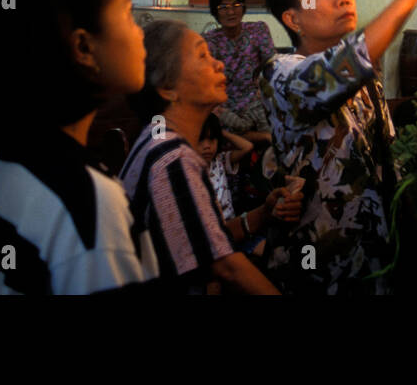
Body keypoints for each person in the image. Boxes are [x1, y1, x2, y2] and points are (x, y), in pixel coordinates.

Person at [260, 0, 417, 294]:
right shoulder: (280, 74)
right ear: (293, 18)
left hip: (377, 258)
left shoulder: (365, 75)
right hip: (320, 266)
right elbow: (338, 72)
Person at [0, 0, 159, 294]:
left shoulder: (3, 161)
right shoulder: (89, 206)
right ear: (83, 46)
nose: (139, 31)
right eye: (127, 13)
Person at [121, 20, 295, 294]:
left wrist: (262, 214)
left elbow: (204, 240)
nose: (220, 65)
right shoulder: (171, 158)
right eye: (203, 55)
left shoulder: (157, 141)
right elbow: (225, 265)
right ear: (168, 87)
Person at [202, 0, 274, 144]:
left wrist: (263, 88)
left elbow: (272, 64)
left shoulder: (258, 30)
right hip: (226, 105)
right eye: (223, 7)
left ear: (243, 7)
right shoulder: (208, 41)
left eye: (235, 5)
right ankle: (262, 138)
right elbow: (205, 80)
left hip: (255, 101)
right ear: (215, 12)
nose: (231, 12)